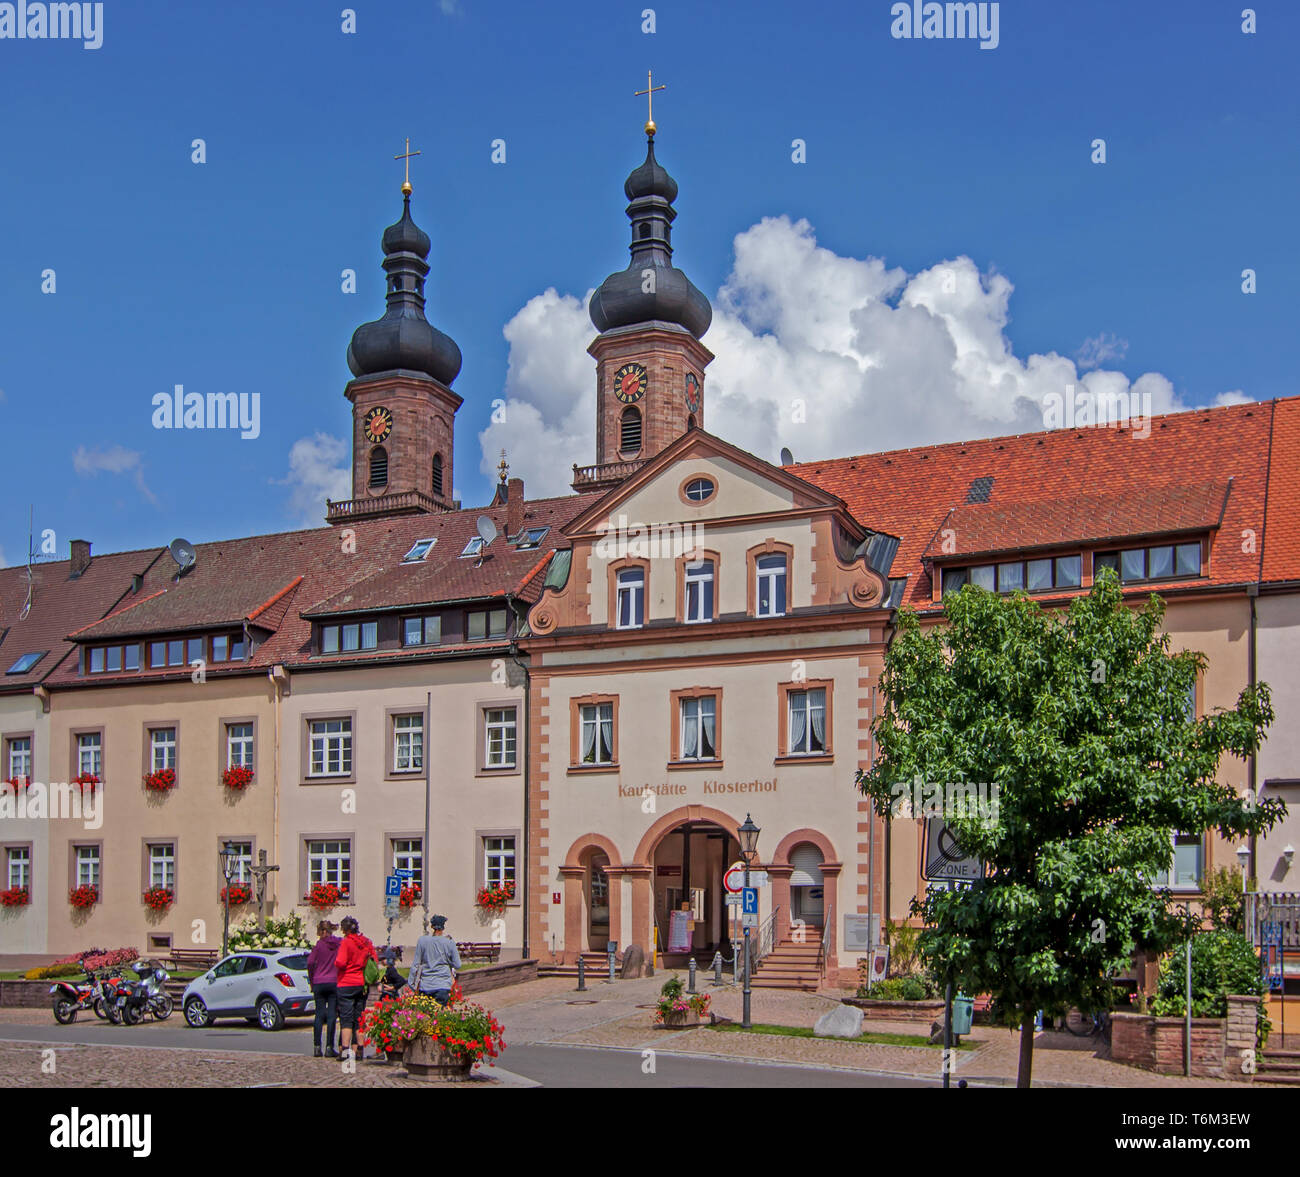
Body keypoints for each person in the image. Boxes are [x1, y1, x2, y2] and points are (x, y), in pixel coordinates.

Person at [334, 915, 379, 1060]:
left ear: (345, 929)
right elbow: (374, 960)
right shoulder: (366, 942)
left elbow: (340, 962)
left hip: (346, 983)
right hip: (361, 984)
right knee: (359, 1018)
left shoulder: (346, 943)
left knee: (346, 1019)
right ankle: (359, 1050)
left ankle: (345, 1051)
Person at [408, 914, 461, 1006]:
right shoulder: (449, 942)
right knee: (439, 1015)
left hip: (426, 985)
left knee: (426, 1016)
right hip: (443, 984)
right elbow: (458, 965)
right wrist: (448, 961)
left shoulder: (422, 941)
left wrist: (411, 984)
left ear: (432, 926)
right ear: (443, 927)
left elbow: (416, 964)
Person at [306, 920, 341, 1058]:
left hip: (319, 982)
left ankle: (316, 1047)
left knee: (319, 1015)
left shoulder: (318, 946)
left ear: (321, 932)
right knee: (332, 1015)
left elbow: (309, 962)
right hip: (333, 982)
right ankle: (329, 1047)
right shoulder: (338, 944)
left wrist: (312, 978)